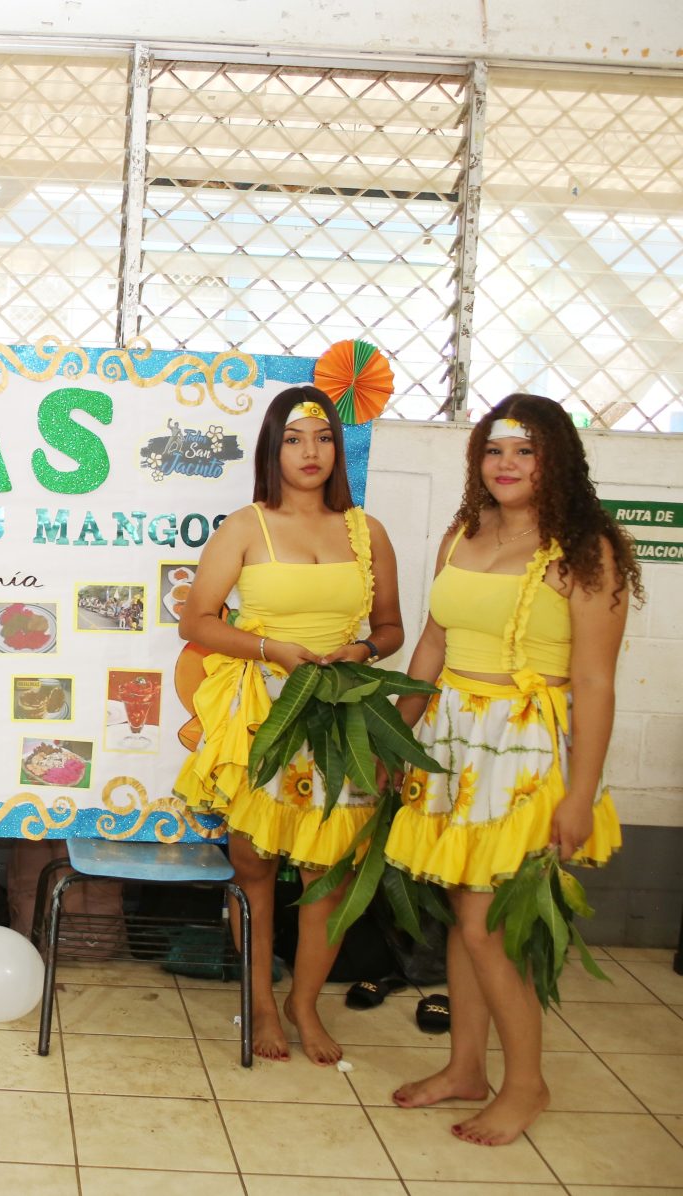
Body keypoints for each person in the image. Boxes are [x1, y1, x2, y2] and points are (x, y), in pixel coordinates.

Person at [384, 395, 637, 1145]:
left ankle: (527, 1083)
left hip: (525, 752)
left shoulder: (587, 551)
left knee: (484, 923)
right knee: (464, 919)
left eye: (524, 451)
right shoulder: (464, 532)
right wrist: (402, 741)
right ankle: (467, 1067)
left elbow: (594, 682)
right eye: (494, 452)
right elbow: (432, 642)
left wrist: (581, 795)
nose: (506, 465)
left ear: (555, 459)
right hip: (455, 738)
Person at [175, 385, 405, 1064]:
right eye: (295, 439)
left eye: (324, 438)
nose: (311, 453)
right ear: (272, 449)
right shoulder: (247, 526)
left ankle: (306, 1005)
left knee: (325, 870)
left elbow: (390, 628)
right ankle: (261, 1002)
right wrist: (271, 648)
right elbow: (197, 620)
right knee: (254, 860)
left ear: (339, 449)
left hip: (341, 715)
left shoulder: (368, 532)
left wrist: (359, 651)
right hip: (262, 709)